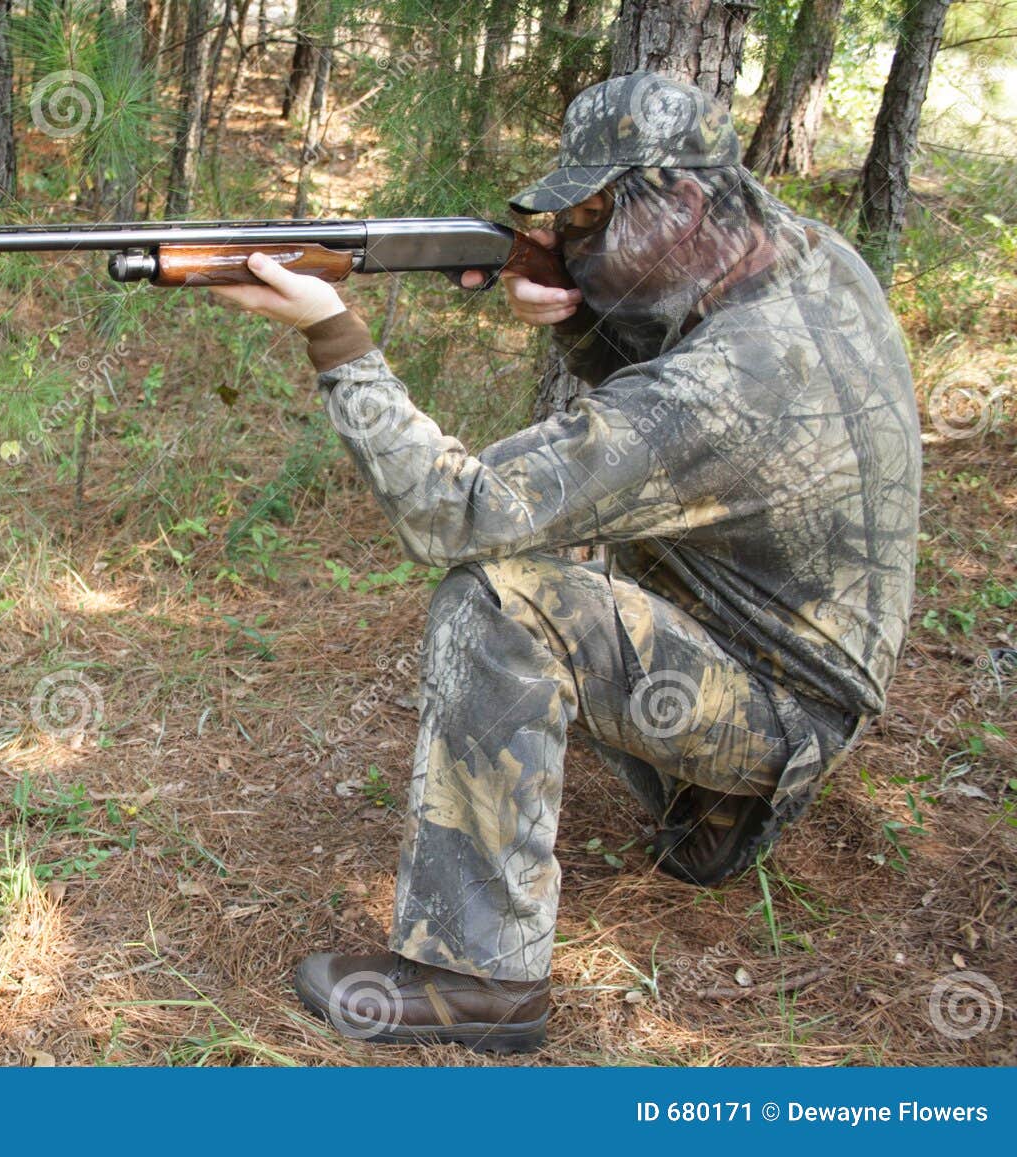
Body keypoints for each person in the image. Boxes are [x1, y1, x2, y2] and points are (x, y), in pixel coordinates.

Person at [209, 72, 921, 1054]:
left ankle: (477, 980)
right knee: (559, 539)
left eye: (591, 216)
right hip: (794, 659)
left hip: (780, 710)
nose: (570, 238)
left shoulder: (730, 381)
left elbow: (453, 511)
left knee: (500, 600)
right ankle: (708, 808)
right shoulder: (802, 252)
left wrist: (334, 333)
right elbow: (672, 361)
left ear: (681, 203)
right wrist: (582, 310)